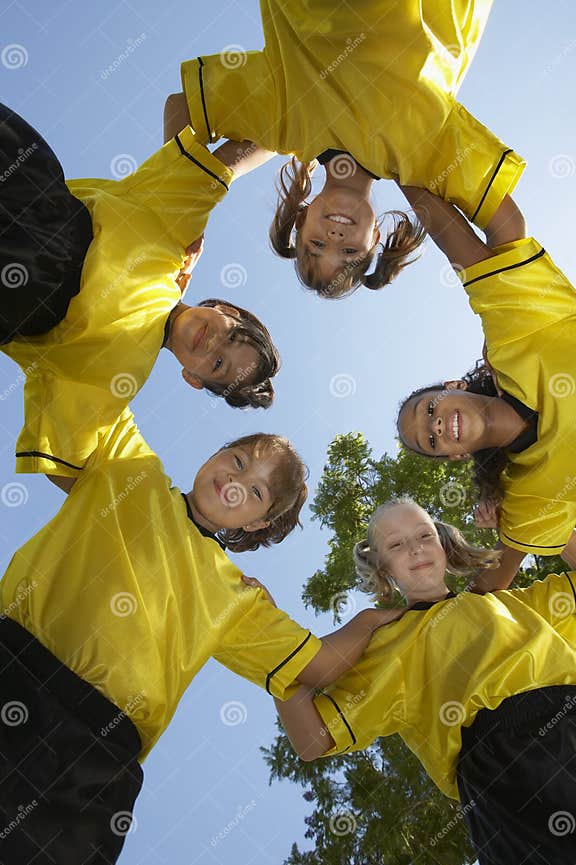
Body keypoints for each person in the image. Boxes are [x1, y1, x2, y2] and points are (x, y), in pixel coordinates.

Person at [0, 407, 398, 863]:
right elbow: (90, 388)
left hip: (91, 750)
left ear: (256, 523)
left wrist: (370, 620)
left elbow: (322, 664)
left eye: (255, 491)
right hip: (11, 659)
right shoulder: (131, 467)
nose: (235, 481)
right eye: (239, 460)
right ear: (215, 453)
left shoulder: (236, 595)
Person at [272, 499, 576, 865]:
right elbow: (311, 741)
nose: (415, 547)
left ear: (444, 546)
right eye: (396, 545)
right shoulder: (388, 644)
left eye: (424, 535)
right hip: (502, 767)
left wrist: (532, 520)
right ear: (383, 570)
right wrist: (276, 647)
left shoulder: (508, 604)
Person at [165, 0, 525, 297]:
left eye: (316, 245)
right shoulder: (417, 157)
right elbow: (508, 227)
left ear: (302, 219)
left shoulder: (286, 124)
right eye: (350, 252)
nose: (335, 238)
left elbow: (181, 106)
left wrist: (184, 213)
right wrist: (503, 317)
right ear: (376, 238)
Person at [0, 102, 280, 477]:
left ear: (192, 378)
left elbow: (70, 472)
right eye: (231, 337)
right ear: (227, 312)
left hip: (20, 299)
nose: (214, 345)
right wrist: (303, 130)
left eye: (218, 365)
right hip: (29, 193)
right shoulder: (175, 237)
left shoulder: (118, 382)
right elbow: (222, 147)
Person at [393, 183, 576, 589]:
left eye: (429, 412)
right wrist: (506, 530)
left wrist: (397, 165)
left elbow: (485, 242)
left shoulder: (512, 343)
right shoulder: (525, 493)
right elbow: (492, 588)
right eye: (432, 442)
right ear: (456, 457)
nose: (436, 428)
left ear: (454, 385)